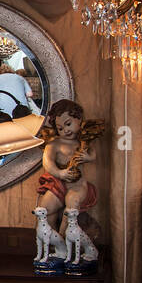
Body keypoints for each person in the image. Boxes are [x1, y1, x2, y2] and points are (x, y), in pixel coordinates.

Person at [36, 99, 98, 233]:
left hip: (77, 185)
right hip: (58, 183)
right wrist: (59, 173)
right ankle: (52, 239)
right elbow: (48, 162)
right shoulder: (54, 144)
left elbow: (93, 155)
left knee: (72, 205)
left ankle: (64, 238)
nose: (66, 130)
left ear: (79, 119)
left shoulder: (82, 142)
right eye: (60, 128)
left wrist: (88, 157)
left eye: (68, 124)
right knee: (45, 209)